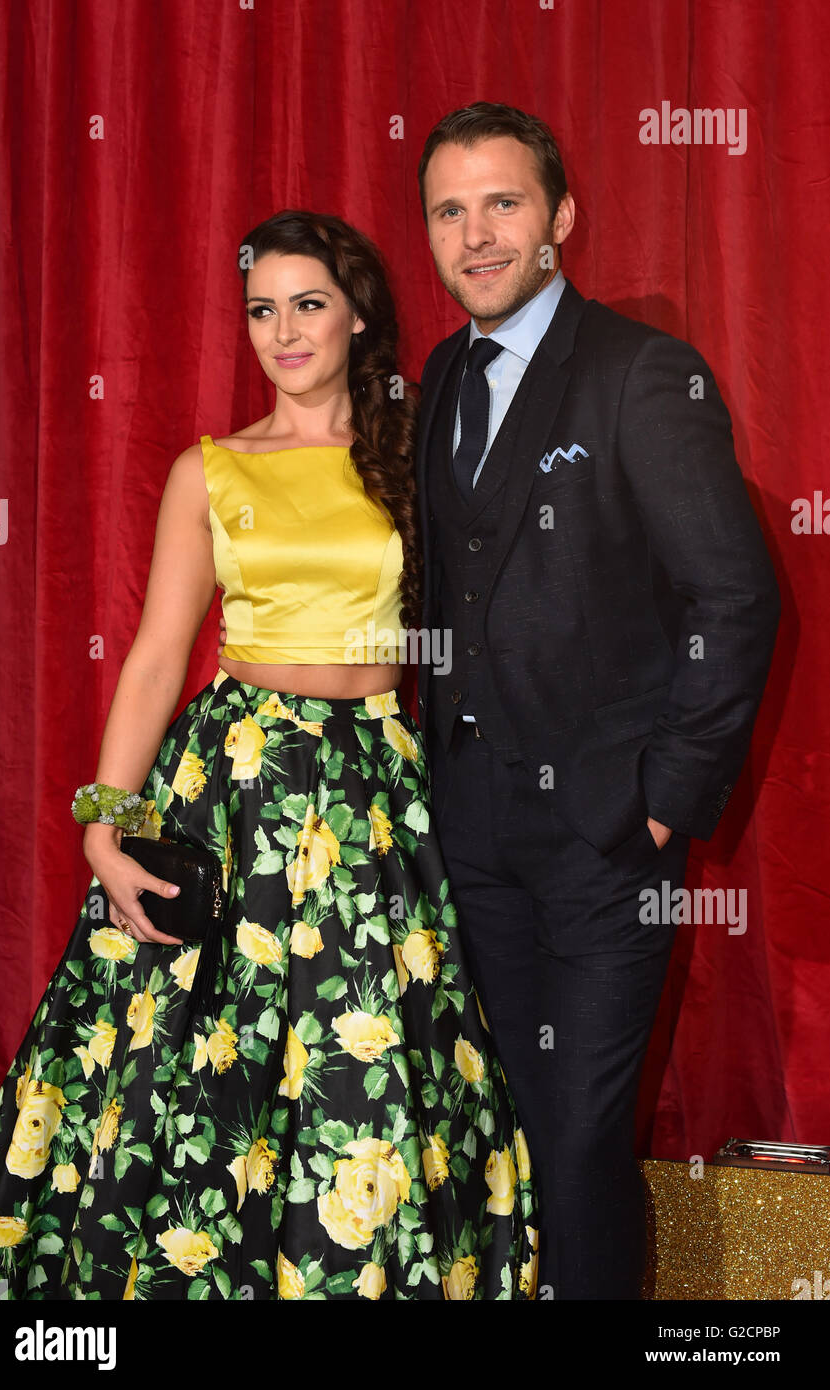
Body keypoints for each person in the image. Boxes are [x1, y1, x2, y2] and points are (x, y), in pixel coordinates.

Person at [0, 210, 538, 1301]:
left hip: (376, 791)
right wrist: (101, 819)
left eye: (307, 303)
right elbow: (153, 658)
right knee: (203, 1054)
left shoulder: (417, 454)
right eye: (261, 310)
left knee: (365, 1054)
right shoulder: (210, 469)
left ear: (358, 313)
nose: (283, 331)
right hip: (235, 780)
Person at [411, 102, 781, 1300]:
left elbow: (734, 597)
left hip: (604, 844)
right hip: (467, 835)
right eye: (450, 210)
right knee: (511, 1133)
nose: (476, 235)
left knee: (577, 1146)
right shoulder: (437, 375)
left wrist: (661, 803)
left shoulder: (639, 372)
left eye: (503, 203)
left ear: (560, 218)